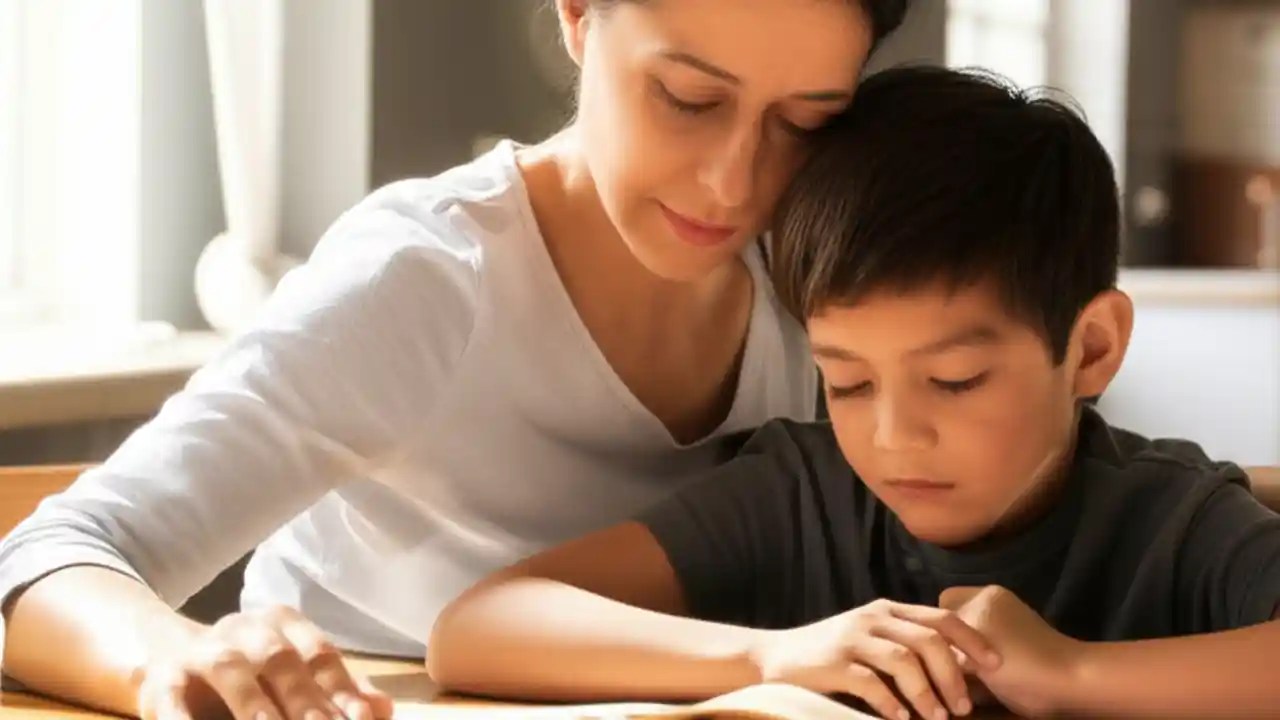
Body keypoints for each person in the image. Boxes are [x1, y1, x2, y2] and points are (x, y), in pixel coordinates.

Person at [0, 1, 912, 719]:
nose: (736, 181)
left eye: (804, 122)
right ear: (578, 15)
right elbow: (46, 554)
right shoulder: (427, 279)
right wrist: (174, 657)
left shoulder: (820, 278)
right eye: (688, 98)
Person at [427, 66, 1280, 720]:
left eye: (955, 381)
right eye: (848, 380)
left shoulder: (1173, 521)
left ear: (1090, 350)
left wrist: (1071, 674)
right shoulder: (804, 493)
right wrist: (770, 656)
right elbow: (477, 627)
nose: (895, 436)